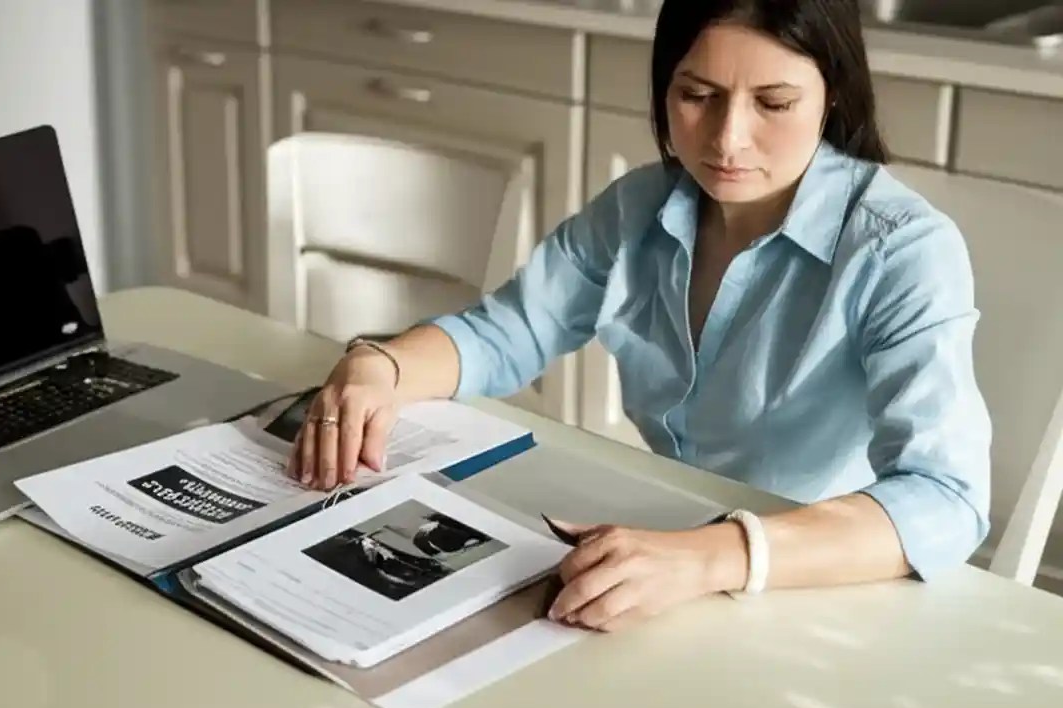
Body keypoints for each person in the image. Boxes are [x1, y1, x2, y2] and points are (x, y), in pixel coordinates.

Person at [285, 0, 991, 632]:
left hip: (823, 587)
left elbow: (947, 497)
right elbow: (509, 330)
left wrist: (714, 556)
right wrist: (380, 366)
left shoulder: (902, 250)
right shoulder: (638, 209)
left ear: (832, 97)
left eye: (773, 103)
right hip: (664, 553)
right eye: (696, 95)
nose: (726, 139)